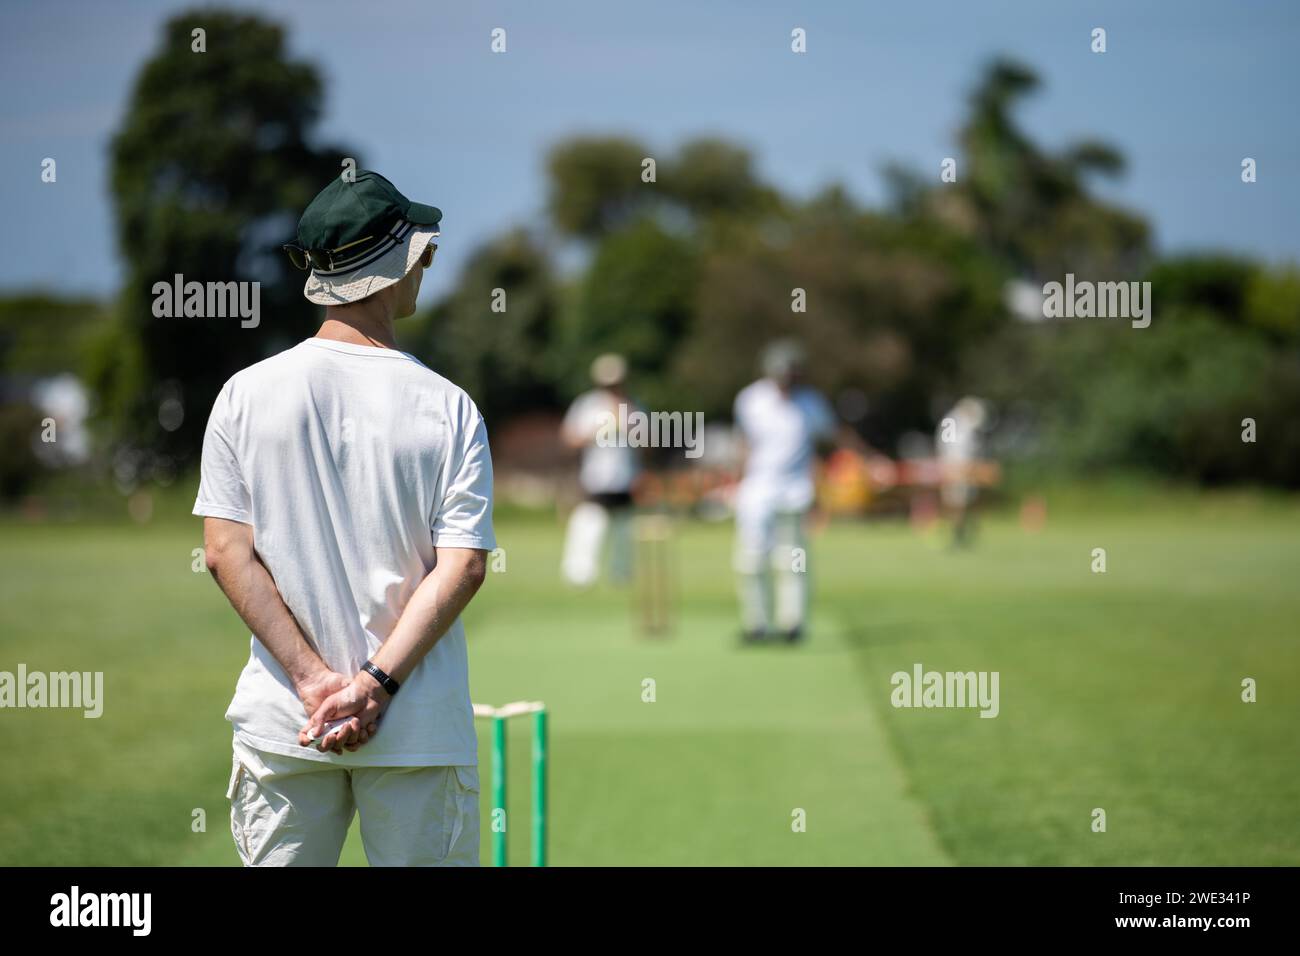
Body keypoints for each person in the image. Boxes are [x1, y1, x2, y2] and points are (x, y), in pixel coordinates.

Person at [194, 170, 495, 866]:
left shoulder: (243, 394)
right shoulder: (448, 405)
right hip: (416, 726)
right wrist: (374, 688)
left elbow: (223, 552)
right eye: (422, 250)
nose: (428, 263)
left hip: (287, 721)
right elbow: (465, 566)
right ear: (393, 267)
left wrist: (313, 683)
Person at [732, 340, 837, 644]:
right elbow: (743, 442)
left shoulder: (811, 403)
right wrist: (736, 479)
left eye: (792, 374)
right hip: (757, 490)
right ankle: (756, 624)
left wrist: (820, 490)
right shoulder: (750, 399)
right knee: (751, 559)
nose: (787, 380)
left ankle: (793, 624)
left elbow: (823, 445)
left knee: (793, 560)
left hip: (796, 490)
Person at [559, 353, 640, 586]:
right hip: (595, 478)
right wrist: (597, 431)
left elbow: (648, 442)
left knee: (624, 529)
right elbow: (569, 438)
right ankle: (580, 575)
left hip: (626, 478)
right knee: (589, 525)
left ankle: (621, 575)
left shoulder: (633, 406)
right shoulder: (587, 405)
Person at [936, 396, 988, 547]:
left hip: (964, 466)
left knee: (965, 500)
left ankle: (963, 532)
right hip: (956, 466)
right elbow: (950, 448)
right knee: (956, 501)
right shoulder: (953, 422)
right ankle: (957, 534)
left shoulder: (963, 423)